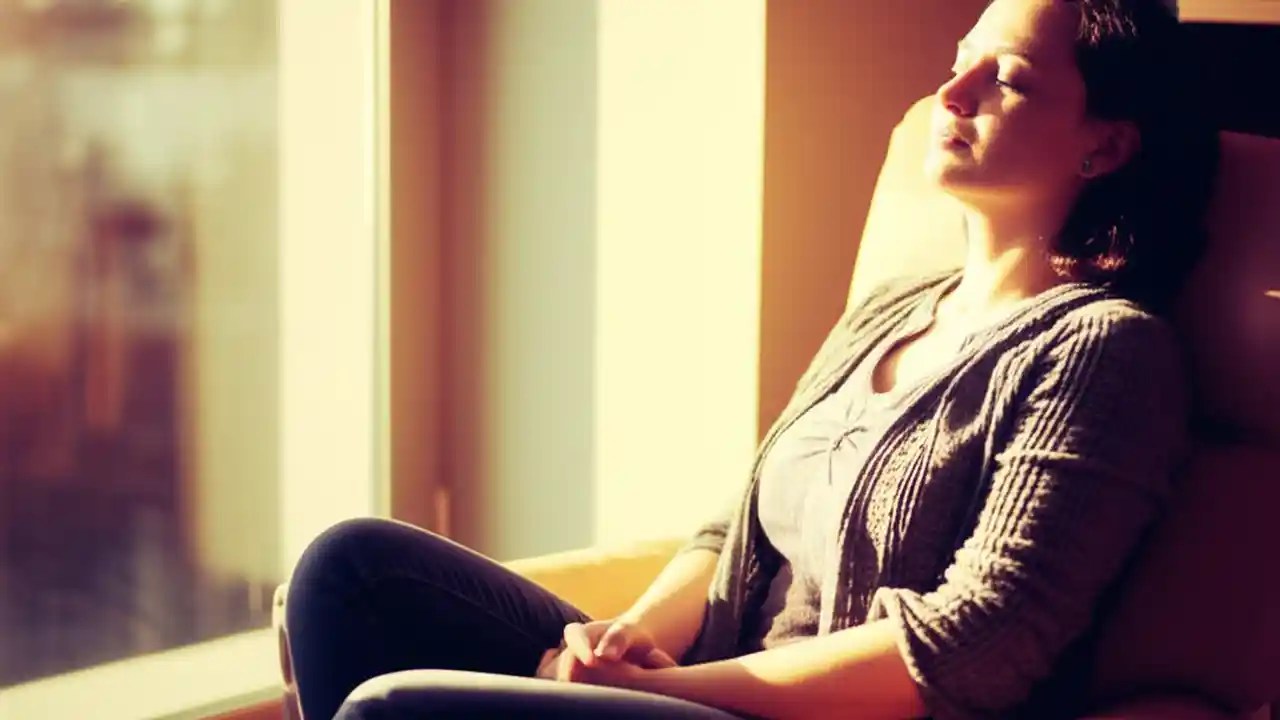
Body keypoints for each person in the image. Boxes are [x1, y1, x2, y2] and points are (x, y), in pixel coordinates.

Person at [284, 0, 1218, 718]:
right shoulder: (895, 310)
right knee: (349, 572)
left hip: (768, 712)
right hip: (700, 683)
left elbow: (974, 644)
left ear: (1106, 143)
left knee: (388, 710)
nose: (953, 92)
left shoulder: (1107, 353)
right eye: (956, 59)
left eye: (1005, 77)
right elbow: (731, 529)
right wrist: (625, 641)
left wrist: (672, 694)